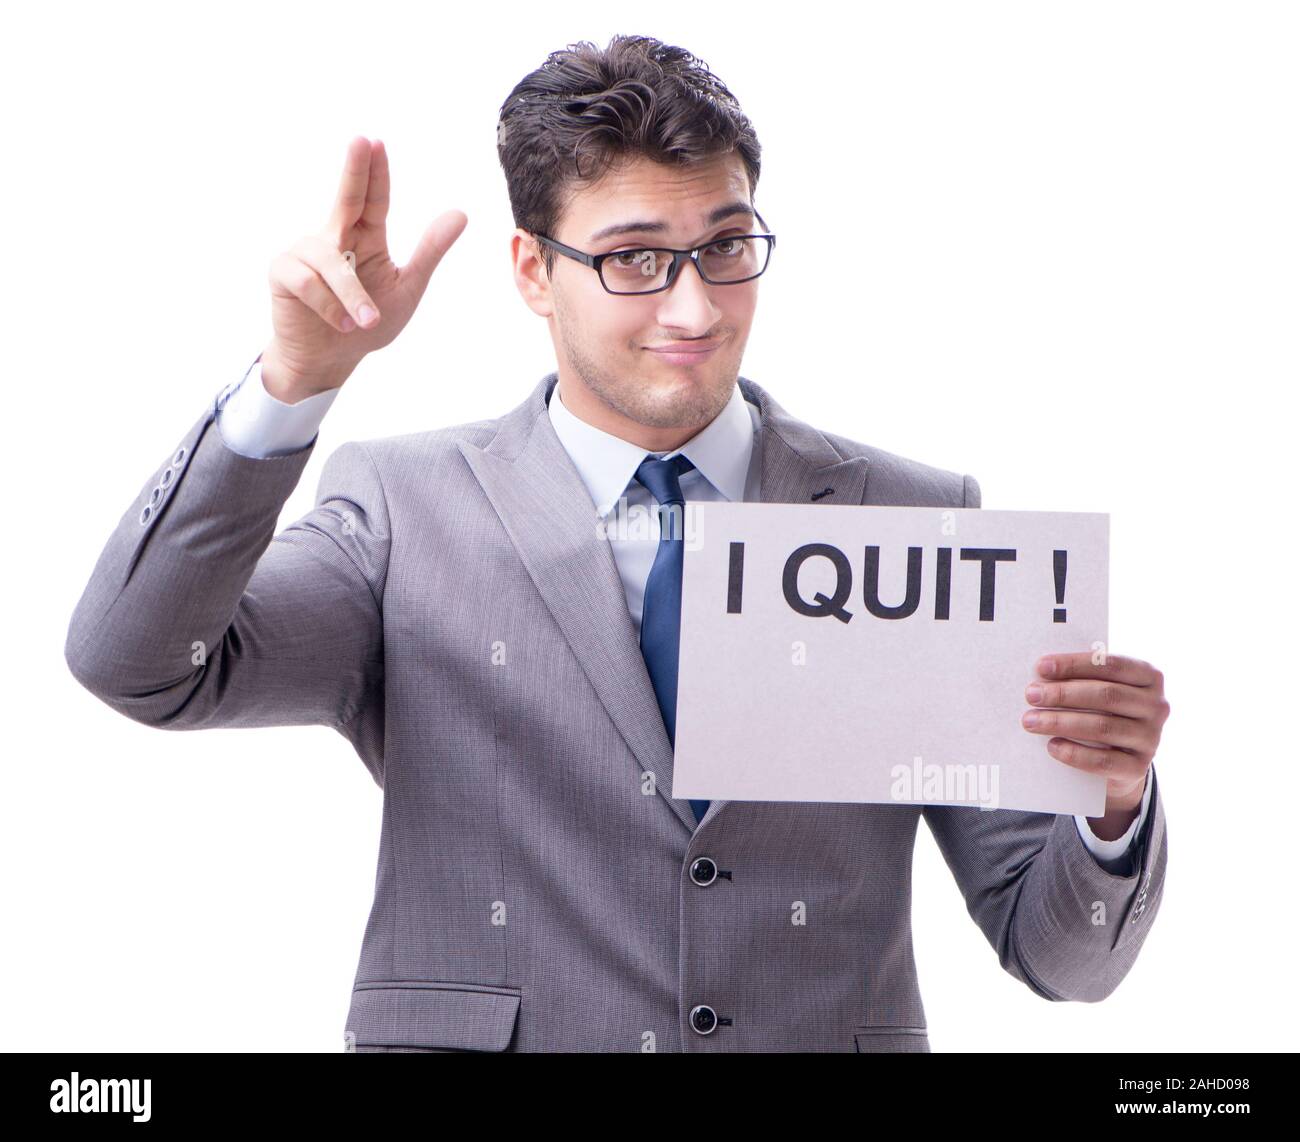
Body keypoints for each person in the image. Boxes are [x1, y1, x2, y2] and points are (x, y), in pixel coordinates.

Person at [64, 34, 1169, 1053]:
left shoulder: (911, 522)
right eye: (634, 258)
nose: (695, 309)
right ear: (531, 271)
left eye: (725, 246)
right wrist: (290, 388)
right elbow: (138, 663)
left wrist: (1111, 807)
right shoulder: (403, 512)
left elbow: (1062, 956)